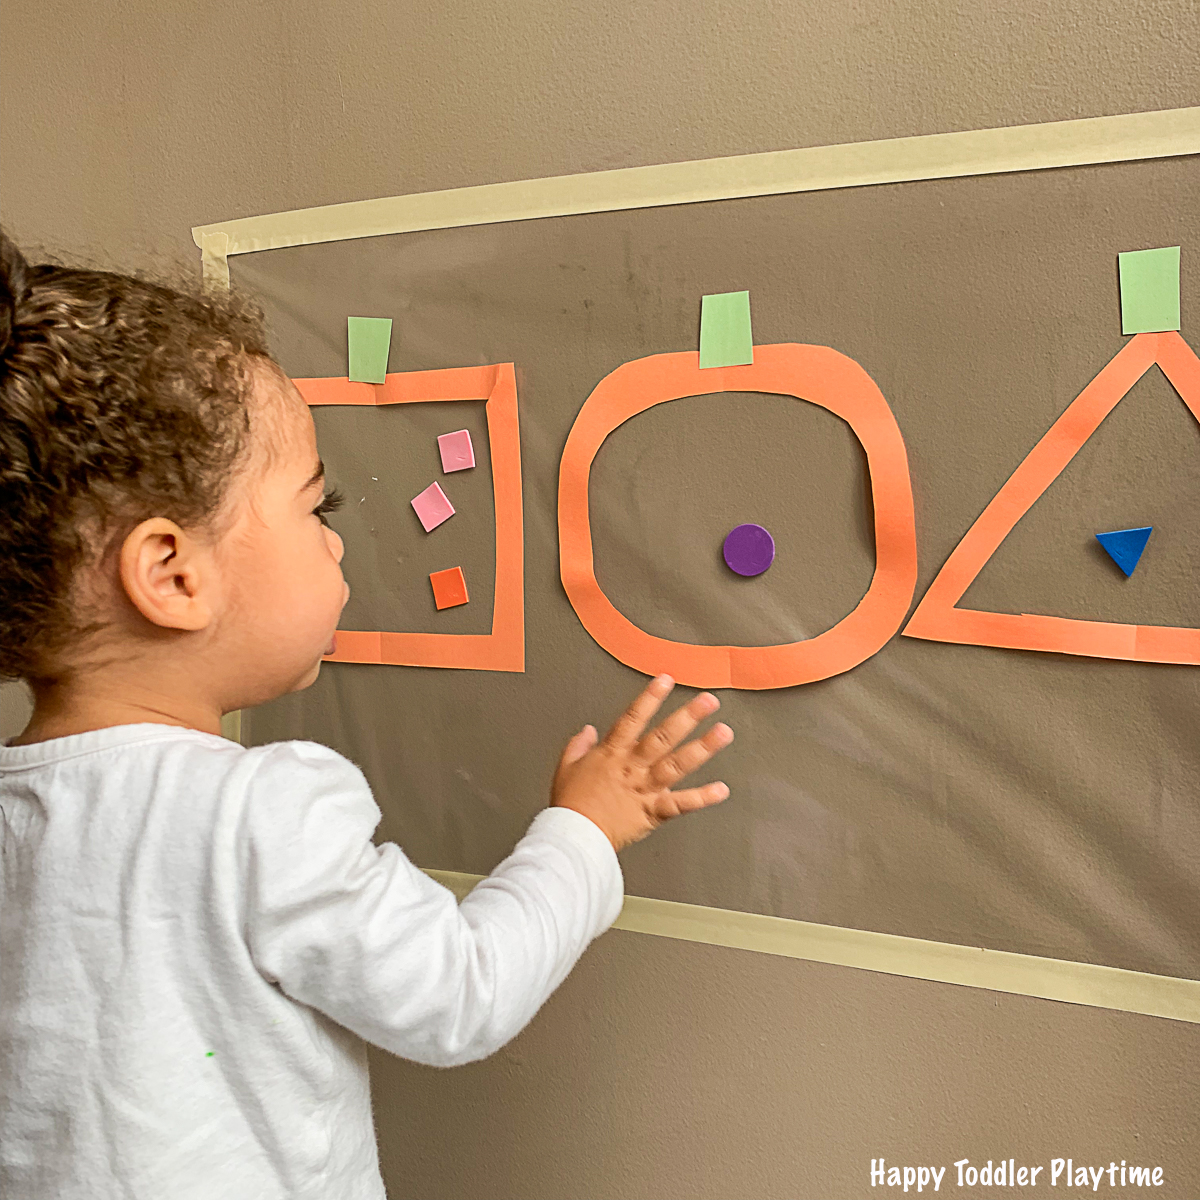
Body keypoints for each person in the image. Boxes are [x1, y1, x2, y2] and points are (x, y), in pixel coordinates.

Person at [0, 231, 734, 1199]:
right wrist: (585, 831)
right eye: (318, 507)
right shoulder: (259, 814)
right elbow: (461, 993)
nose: (340, 549)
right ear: (173, 575)